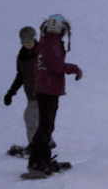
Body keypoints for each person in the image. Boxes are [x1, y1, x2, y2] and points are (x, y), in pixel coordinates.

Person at [26, 14, 82, 177]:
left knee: (45, 126)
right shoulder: (54, 42)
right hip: (49, 89)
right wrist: (76, 69)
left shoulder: (44, 42)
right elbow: (57, 66)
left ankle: (42, 161)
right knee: (46, 126)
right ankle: (37, 163)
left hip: (43, 88)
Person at [4, 26, 40, 157]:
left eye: (29, 39)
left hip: (44, 92)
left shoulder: (42, 51)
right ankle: (45, 143)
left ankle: (34, 146)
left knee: (31, 118)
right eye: (24, 40)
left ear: (34, 38)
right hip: (31, 95)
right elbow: (20, 76)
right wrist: (10, 93)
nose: (27, 42)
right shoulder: (22, 56)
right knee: (37, 119)